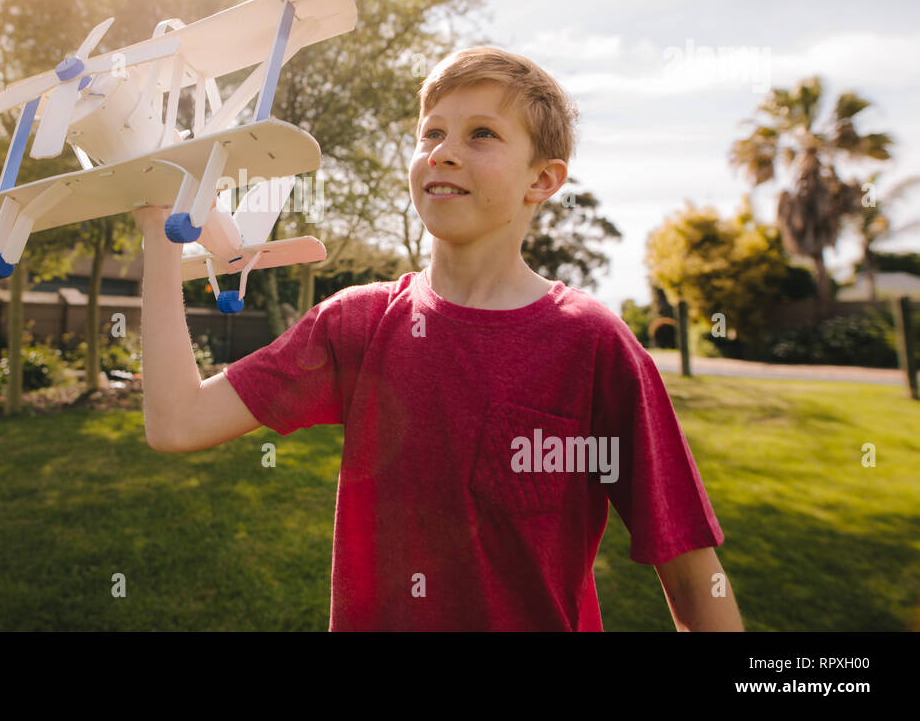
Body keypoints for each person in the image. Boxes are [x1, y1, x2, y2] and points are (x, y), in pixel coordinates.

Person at [133, 46, 743, 631]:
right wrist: (159, 236)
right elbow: (177, 422)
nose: (444, 152)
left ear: (543, 179)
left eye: (482, 134)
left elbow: (693, 576)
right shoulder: (358, 324)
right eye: (431, 133)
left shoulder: (592, 344)